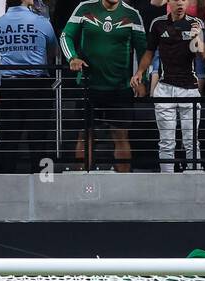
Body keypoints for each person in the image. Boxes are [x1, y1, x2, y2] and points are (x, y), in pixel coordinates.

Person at [61, 0, 149, 172]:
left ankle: (123, 185)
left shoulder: (132, 14)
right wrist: (72, 57)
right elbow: (66, 36)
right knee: (85, 134)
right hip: (88, 85)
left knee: (121, 136)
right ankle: (82, 181)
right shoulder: (85, 8)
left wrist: (141, 77)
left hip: (120, 88)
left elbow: (143, 49)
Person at [135, 0, 205, 172]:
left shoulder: (195, 23)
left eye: (183, 0)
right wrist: (139, 72)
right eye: (176, 0)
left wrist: (197, 37)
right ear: (169, 2)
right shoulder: (158, 24)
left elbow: (202, 54)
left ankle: (194, 180)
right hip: (164, 88)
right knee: (167, 142)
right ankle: (167, 182)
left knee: (191, 141)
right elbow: (149, 51)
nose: (180, 4)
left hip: (189, 89)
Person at [0, 0, 57, 173]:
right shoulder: (41, 22)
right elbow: (53, 51)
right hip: (37, 85)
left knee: (9, 140)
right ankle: (44, 185)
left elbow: (0, 49)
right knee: (40, 139)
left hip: (9, 85)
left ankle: (5, 187)